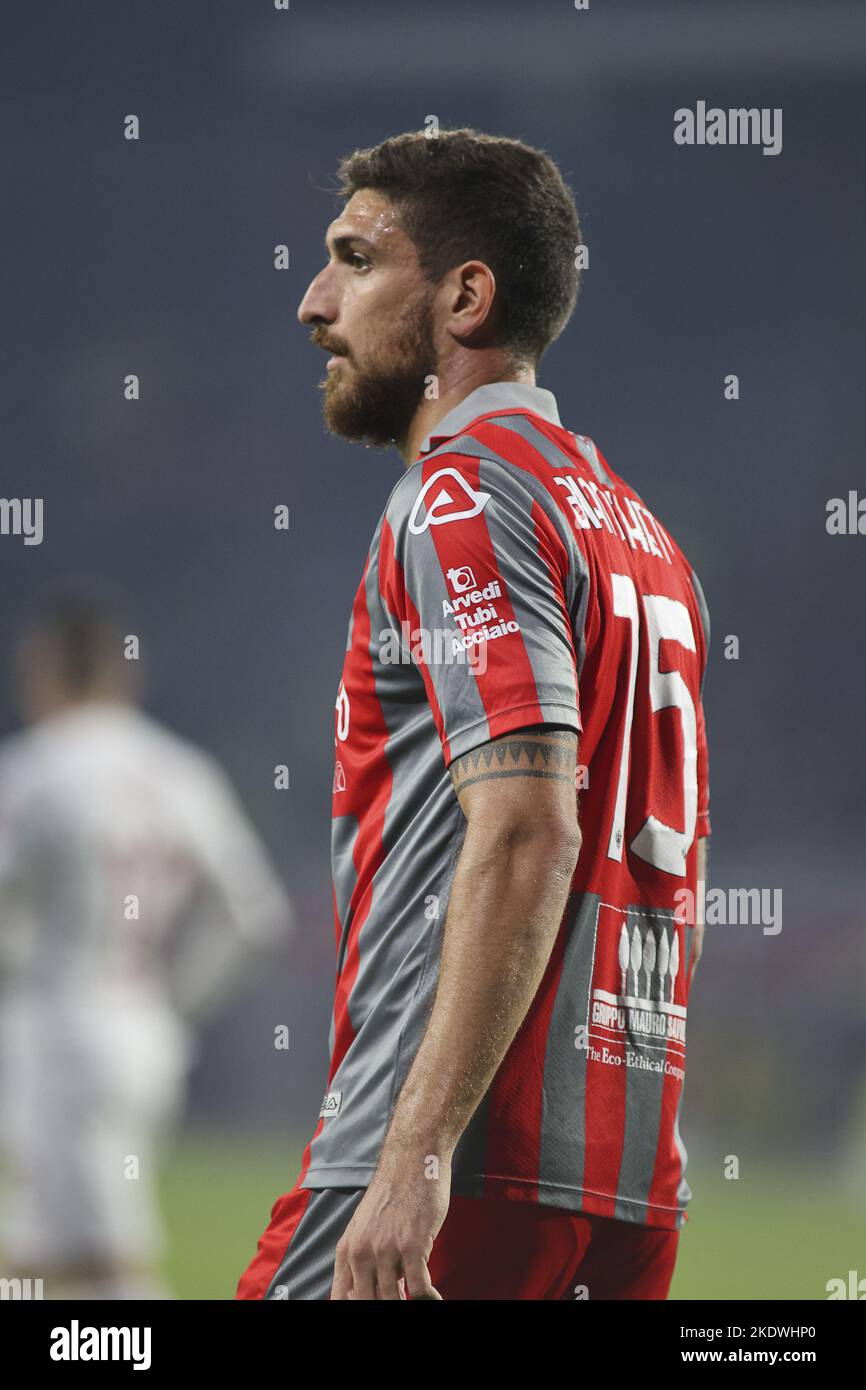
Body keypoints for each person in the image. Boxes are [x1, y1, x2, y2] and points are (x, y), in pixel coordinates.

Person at [236, 127, 711, 1302]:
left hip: (458, 1166)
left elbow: (528, 825)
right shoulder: (644, 538)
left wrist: (410, 1158)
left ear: (463, 295)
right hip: (621, 1178)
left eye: (353, 258)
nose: (313, 302)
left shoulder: (459, 494)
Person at [0, 591, 293, 1298]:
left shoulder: (35, 771)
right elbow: (256, 915)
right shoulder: (181, 772)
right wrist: (171, 999)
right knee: (31, 1254)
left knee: (103, 1263)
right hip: (142, 1034)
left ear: (42, 671)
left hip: (56, 1034)